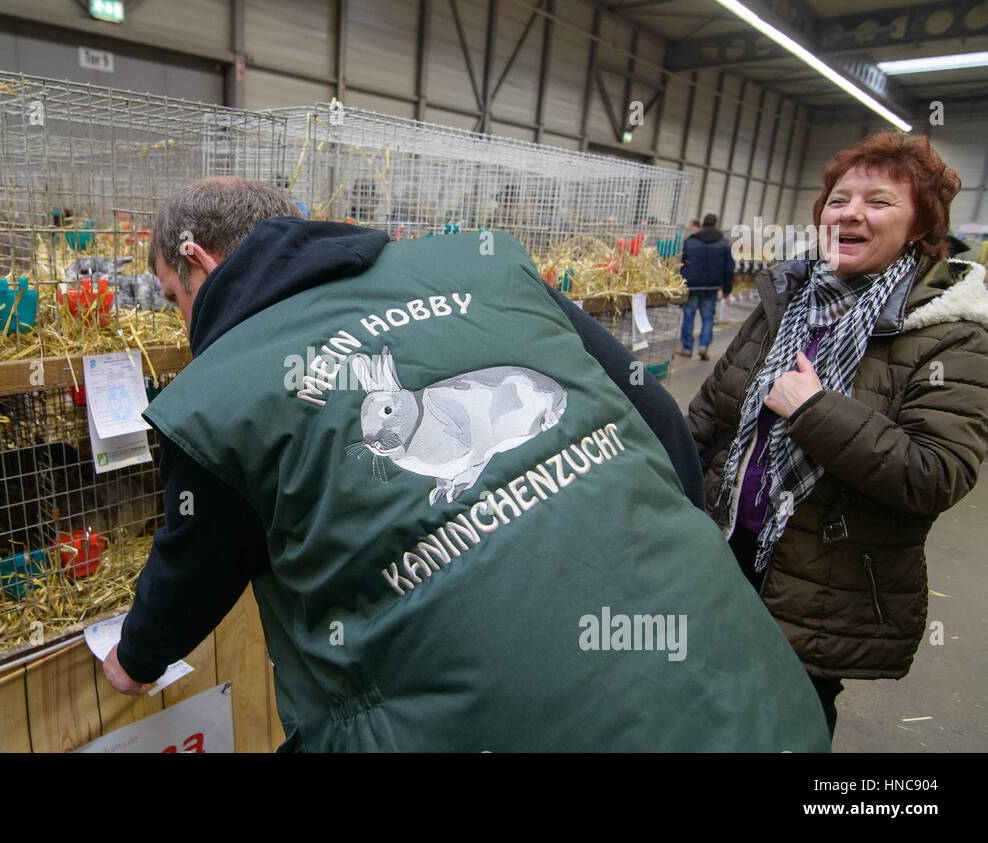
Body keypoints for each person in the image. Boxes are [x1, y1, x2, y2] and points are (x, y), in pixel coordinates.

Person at [102, 176, 829, 752]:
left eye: (173, 297)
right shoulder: (484, 262)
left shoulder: (220, 390)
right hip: (750, 691)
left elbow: (192, 568)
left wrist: (135, 659)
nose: (179, 317)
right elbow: (656, 415)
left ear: (197, 260)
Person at [687, 132, 988, 739]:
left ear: (920, 228)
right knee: (705, 696)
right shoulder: (786, 301)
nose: (849, 212)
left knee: (790, 714)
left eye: (878, 202)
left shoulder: (953, 335)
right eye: (838, 199)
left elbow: (934, 474)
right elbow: (708, 416)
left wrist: (815, 410)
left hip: (824, 575)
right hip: (723, 546)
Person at [677, 213, 734, 360]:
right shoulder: (723, 243)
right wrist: (727, 290)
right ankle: (703, 347)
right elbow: (729, 268)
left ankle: (687, 348)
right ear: (716, 225)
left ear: (702, 225)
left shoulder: (690, 241)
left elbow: (681, 263)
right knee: (708, 318)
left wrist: (680, 283)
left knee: (688, 316)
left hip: (692, 285)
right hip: (711, 287)